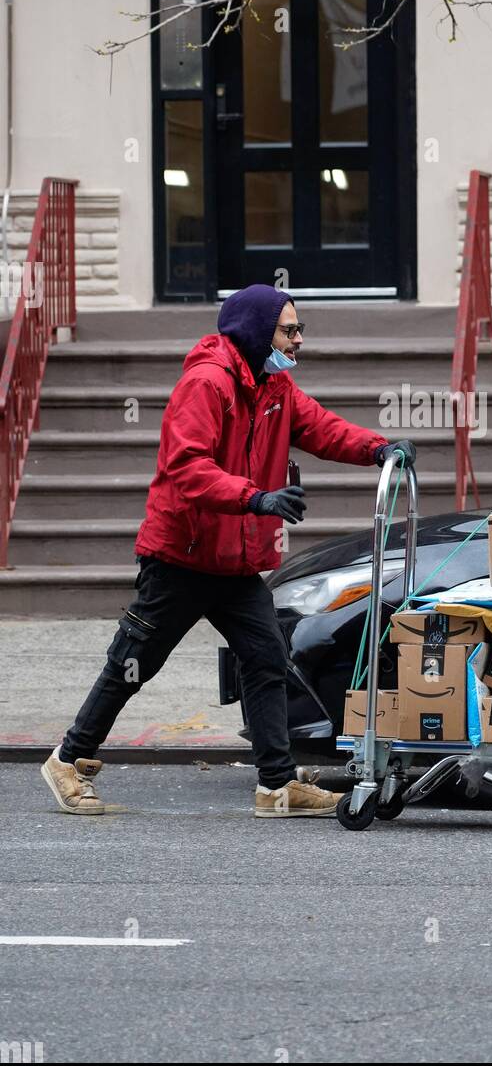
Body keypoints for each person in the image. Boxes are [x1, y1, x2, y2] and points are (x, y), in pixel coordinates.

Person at [40, 285, 416, 820]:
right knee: (133, 663)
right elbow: (186, 468)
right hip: (182, 557)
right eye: (289, 329)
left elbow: (321, 427)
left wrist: (379, 447)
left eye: (298, 329)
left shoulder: (274, 385)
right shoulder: (207, 383)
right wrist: (256, 497)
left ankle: (277, 785)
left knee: (266, 661)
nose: (298, 338)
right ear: (257, 332)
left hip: (235, 560)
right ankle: (69, 759)